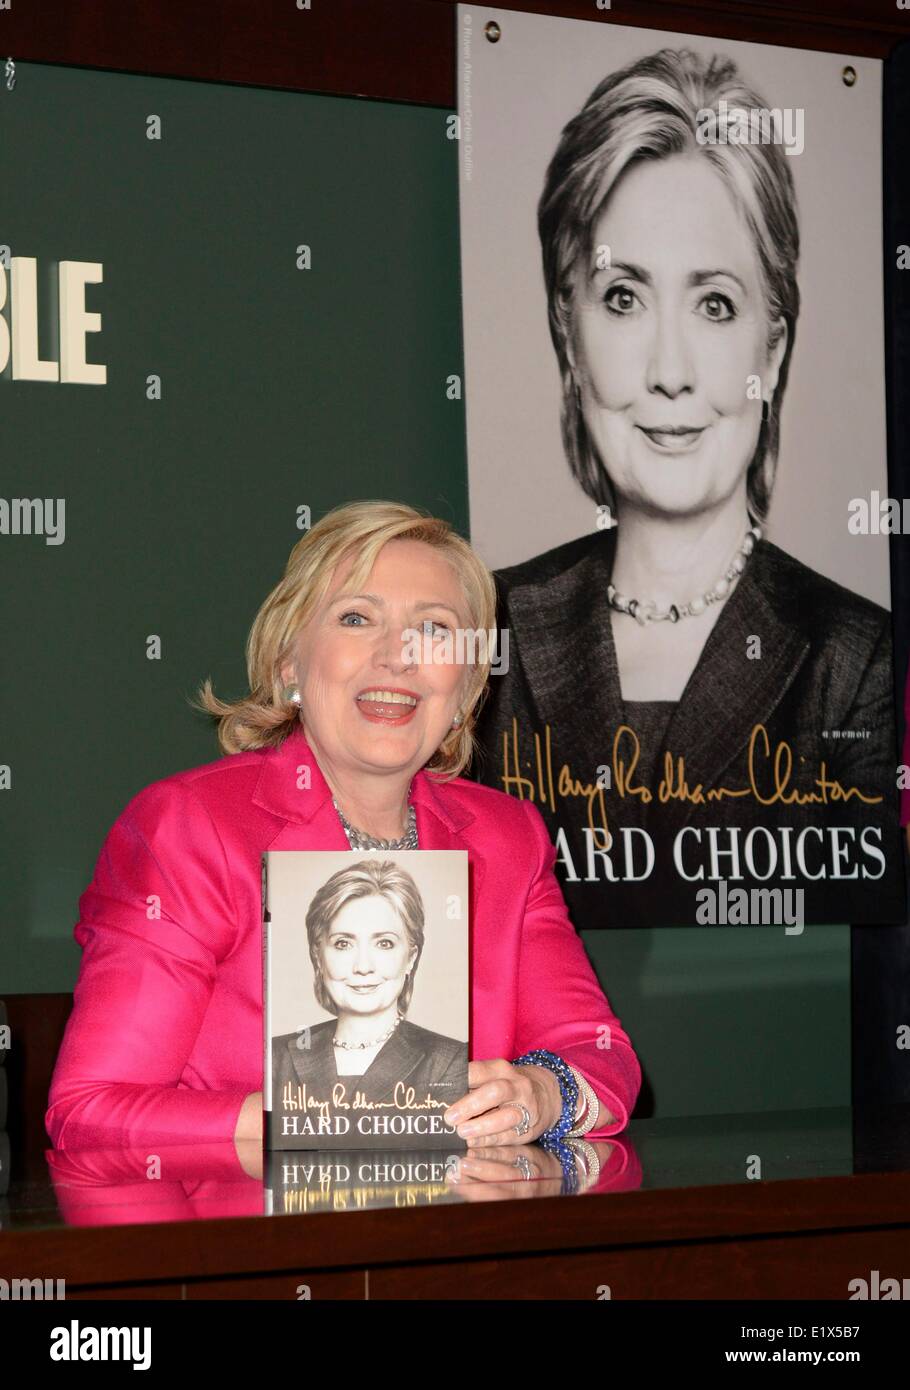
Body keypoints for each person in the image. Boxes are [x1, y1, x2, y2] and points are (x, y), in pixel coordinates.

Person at [46, 500, 641, 1159]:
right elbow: (90, 1112)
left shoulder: (508, 838)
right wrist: (327, 1120)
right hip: (252, 1245)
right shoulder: (189, 826)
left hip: (460, 1243)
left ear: (467, 685)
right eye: (357, 619)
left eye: (435, 630)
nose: (397, 658)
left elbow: (603, 1058)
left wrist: (544, 1094)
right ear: (289, 664)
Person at [471, 47, 904, 928]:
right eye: (624, 296)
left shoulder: (858, 659)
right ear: (568, 326)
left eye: (714, 304)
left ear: (772, 347)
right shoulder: (489, 630)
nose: (670, 373)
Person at [271, 858, 466, 1112]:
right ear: (318, 955)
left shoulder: (449, 1060)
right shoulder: (277, 1056)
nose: (363, 966)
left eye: (384, 943)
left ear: (411, 957)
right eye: (343, 943)